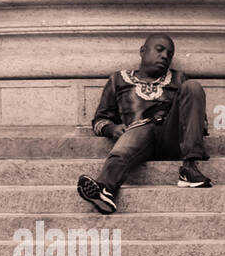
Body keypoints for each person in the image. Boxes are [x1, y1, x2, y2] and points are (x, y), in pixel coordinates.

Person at [77, 33, 211, 215]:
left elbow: (197, 117)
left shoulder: (179, 79)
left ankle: (189, 168)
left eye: (169, 54)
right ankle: (104, 190)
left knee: (193, 86)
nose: (165, 56)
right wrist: (112, 128)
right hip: (137, 135)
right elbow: (99, 120)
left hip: (170, 136)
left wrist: (195, 125)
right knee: (128, 142)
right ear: (143, 51)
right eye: (159, 50)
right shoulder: (118, 79)